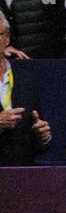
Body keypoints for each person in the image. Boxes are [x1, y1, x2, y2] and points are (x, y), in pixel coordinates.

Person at [0, 12, 53, 165]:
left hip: (21, 175)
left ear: (7, 38)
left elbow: (38, 138)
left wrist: (42, 136)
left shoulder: (26, 79)